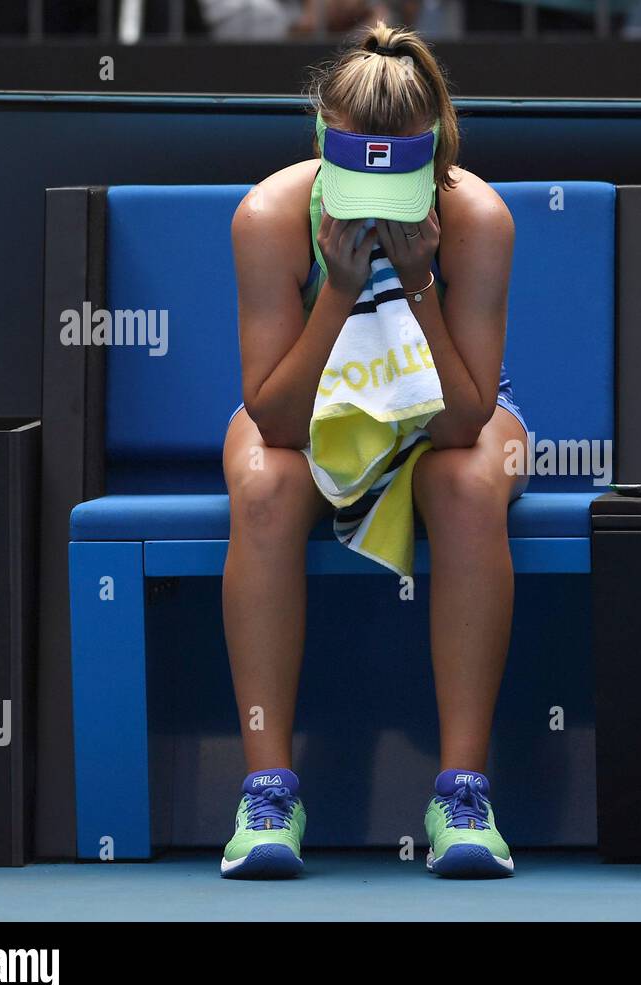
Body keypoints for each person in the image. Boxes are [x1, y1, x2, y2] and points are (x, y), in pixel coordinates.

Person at [219, 21, 526, 879]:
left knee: (470, 482)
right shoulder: (270, 216)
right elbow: (278, 421)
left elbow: (464, 418)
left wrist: (420, 283)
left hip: (446, 408)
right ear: (325, 145)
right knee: (264, 484)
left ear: (433, 155)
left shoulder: (479, 220)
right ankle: (268, 790)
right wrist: (341, 290)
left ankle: (463, 793)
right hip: (308, 405)